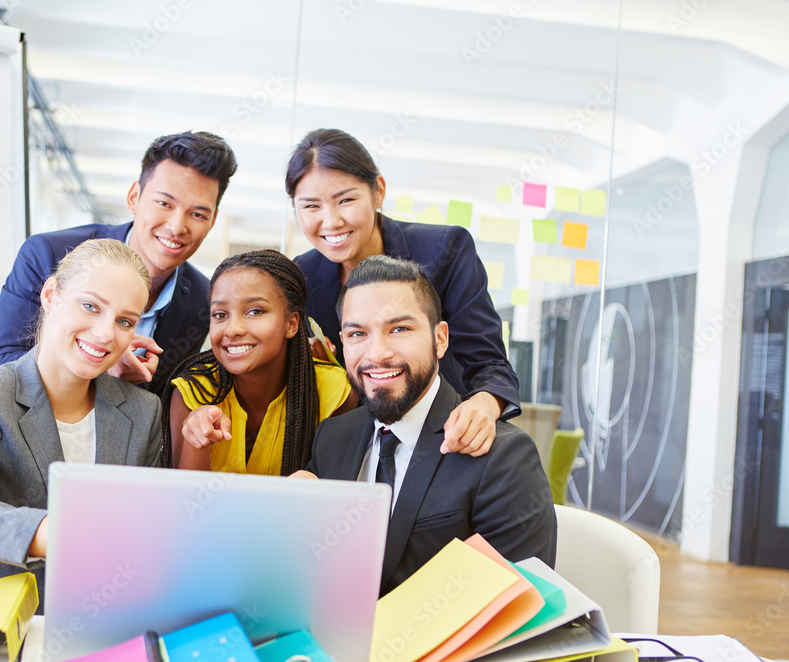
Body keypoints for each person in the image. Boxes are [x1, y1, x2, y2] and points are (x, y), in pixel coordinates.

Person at [295, 255, 555, 596]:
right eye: (358, 333)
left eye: (399, 329)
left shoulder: (502, 457)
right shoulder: (332, 437)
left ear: (440, 339)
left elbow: (516, 606)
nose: (377, 354)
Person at [0, 239, 162, 612]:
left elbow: (146, 527)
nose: (105, 334)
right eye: (91, 306)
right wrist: (63, 533)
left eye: (124, 321)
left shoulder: (143, 411)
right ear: (51, 295)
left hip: (104, 614)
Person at [287, 128, 520, 456]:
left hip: (445, 440)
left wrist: (484, 404)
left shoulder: (444, 251)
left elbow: (489, 363)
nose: (331, 221)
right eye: (311, 206)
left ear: (378, 192)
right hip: (356, 447)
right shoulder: (303, 275)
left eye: (346, 200)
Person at [0, 131, 238, 396]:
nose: (176, 227)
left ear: (212, 221)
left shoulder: (202, 300)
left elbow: (165, 399)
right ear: (134, 197)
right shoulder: (48, 255)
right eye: (164, 203)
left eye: (197, 214)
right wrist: (100, 367)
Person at [163, 250, 358, 475]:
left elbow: (336, 489)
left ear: (291, 324)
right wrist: (198, 441)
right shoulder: (192, 392)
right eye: (220, 314)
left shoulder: (334, 393)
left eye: (255, 311)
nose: (232, 329)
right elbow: (184, 494)